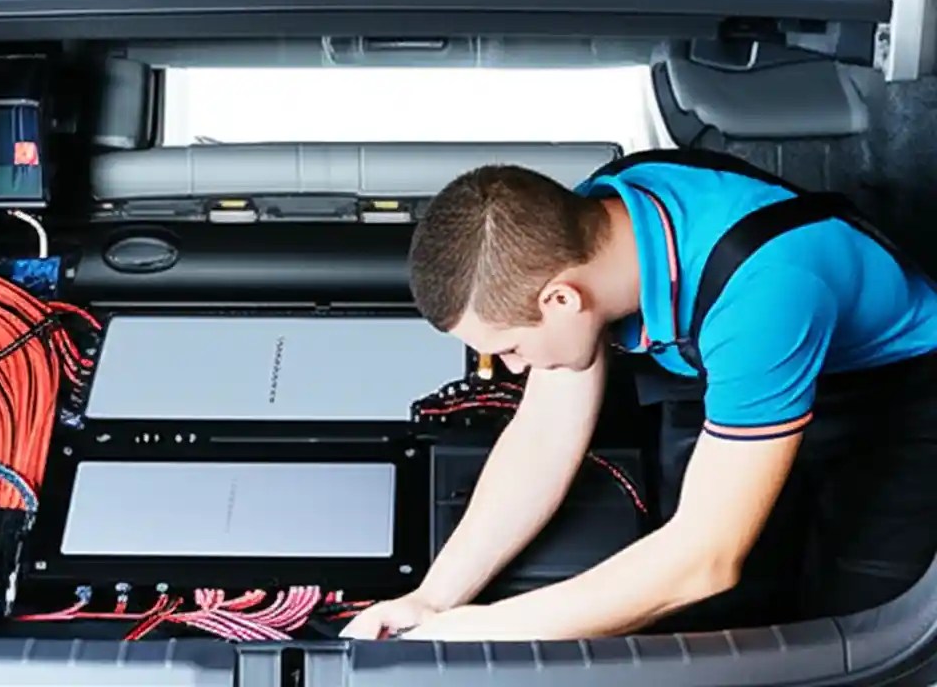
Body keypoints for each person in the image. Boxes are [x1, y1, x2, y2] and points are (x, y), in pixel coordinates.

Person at [340, 149, 937, 642]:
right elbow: (545, 433)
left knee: (854, 630)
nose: (508, 372)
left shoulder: (766, 289)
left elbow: (703, 560)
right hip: (743, 372)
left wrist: (476, 632)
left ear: (562, 300)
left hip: (895, 399)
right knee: (723, 617)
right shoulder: (590, 226)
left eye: (512, 349)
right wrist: (431, 601)